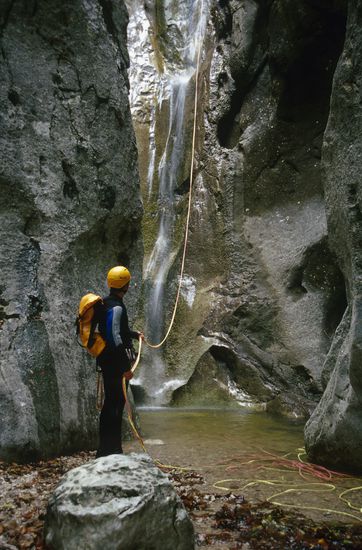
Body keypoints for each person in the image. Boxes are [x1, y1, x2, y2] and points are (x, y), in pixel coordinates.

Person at [95, 265, 143, 458]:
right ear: (126, 285)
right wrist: (125, 368)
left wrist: (133, 334)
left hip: (106, 361)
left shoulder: (107, 303)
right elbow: (115, 338)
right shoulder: (116, 307)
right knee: (115, 404)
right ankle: (112, 449)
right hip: (114, 364)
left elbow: (115, 331)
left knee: (111, 403)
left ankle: (106, 449)